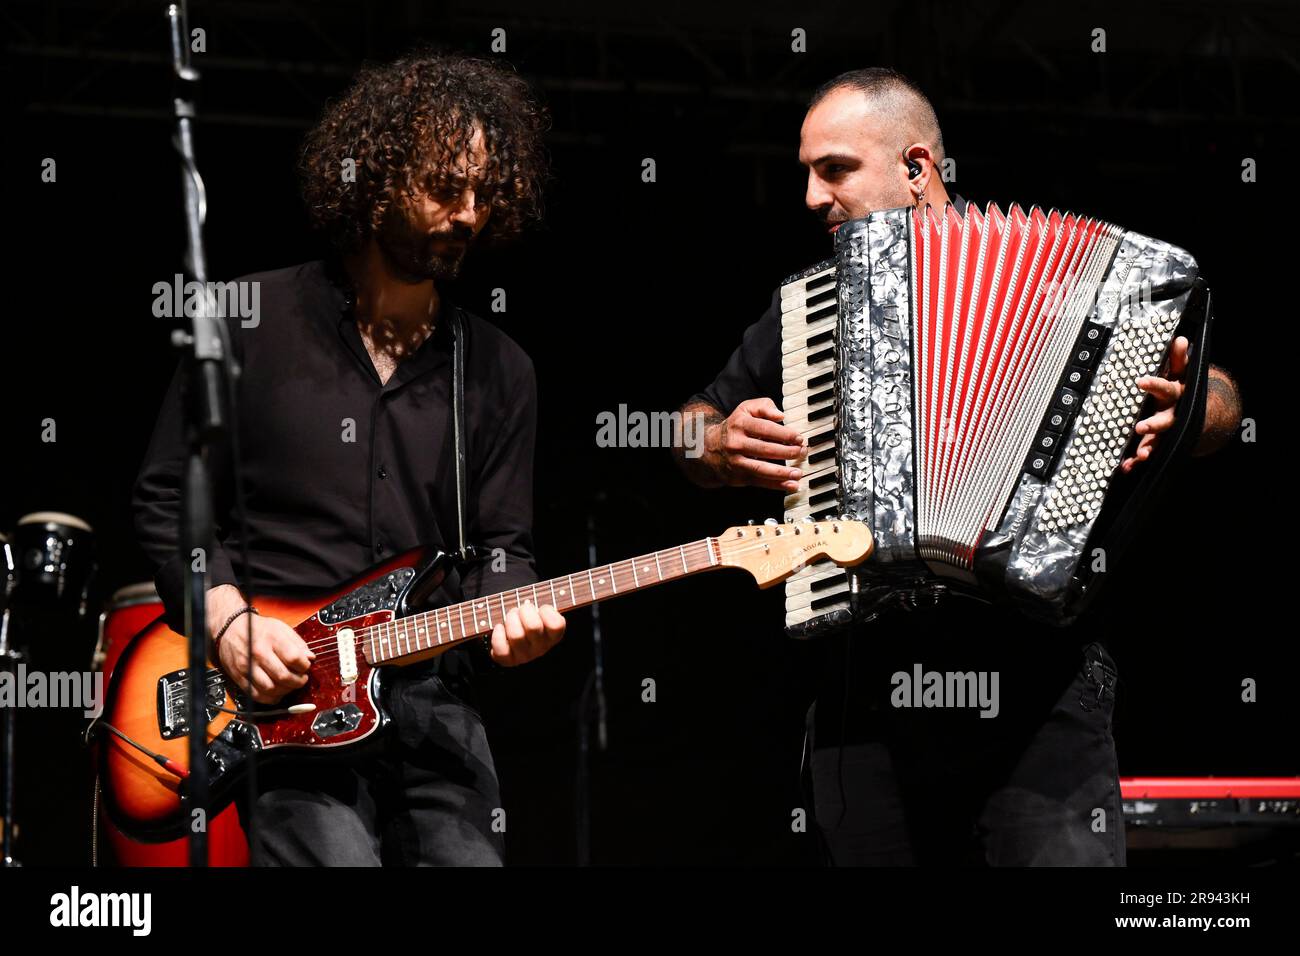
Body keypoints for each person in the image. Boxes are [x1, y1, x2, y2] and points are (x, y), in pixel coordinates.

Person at [673, 68, 1243, 865]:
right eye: (807, 170)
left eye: (834, 169)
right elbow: (692, 422)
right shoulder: (811, 307)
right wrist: (715, 443)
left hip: (1038, 689)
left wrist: (1190, 409)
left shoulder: (1071, 277)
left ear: (916, 168)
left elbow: (1218, 395)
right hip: (864, 692)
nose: (809, 195)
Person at [133, 51, 565, 866]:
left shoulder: (501, 369)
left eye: (483, 192)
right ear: (374, 179)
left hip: (432, 705)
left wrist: (518, 611)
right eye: (445, 186)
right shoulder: (245, 320)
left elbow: (504, 547)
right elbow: (165, 503)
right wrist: (226, 622)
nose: (467, 214)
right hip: (281, 698)